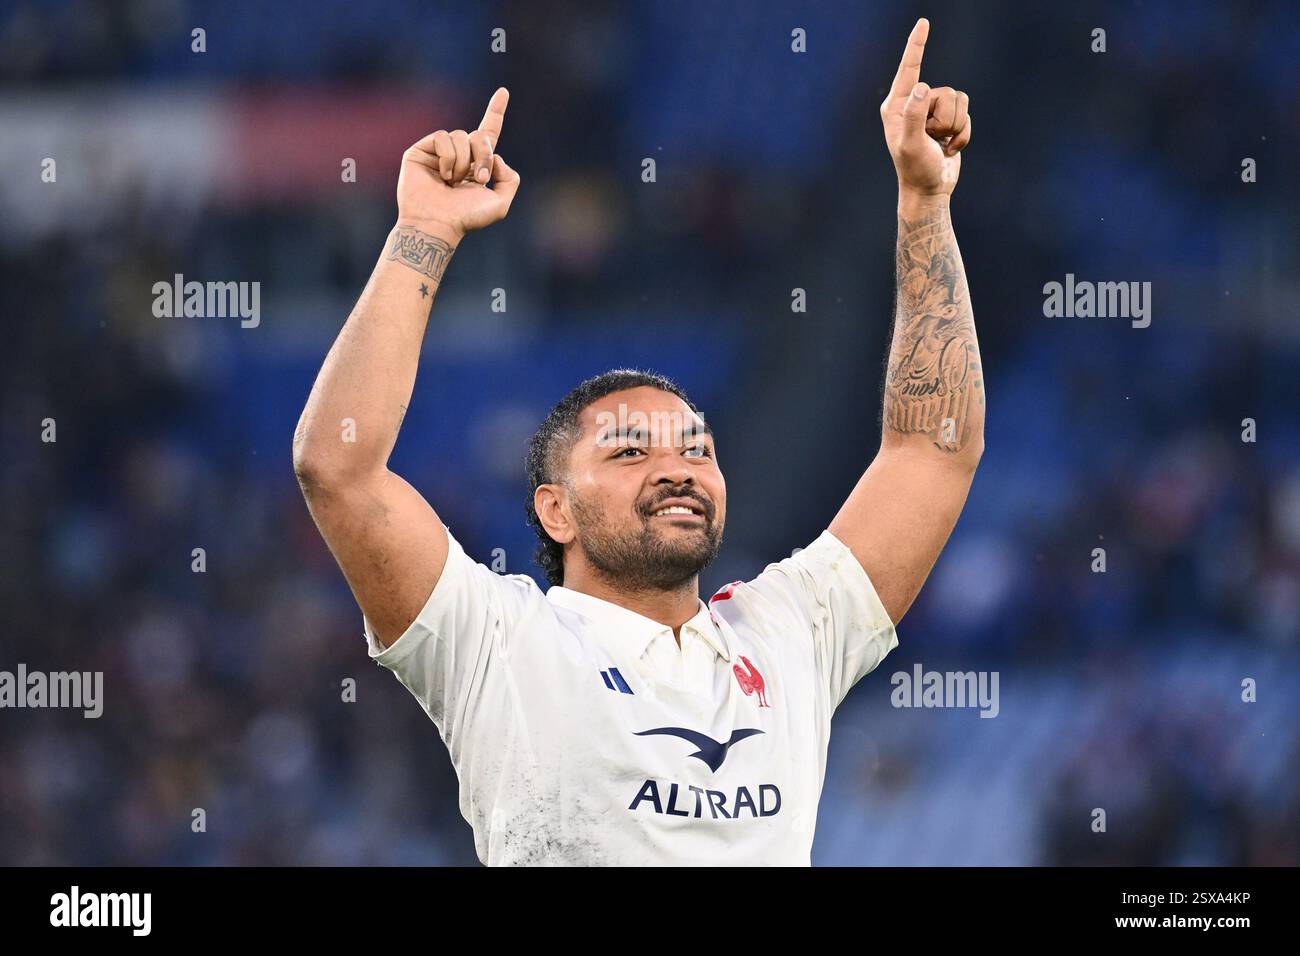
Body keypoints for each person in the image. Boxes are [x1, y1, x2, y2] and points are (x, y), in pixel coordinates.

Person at [292, 17, 980, 865]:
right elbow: (338, 468)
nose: (677, 470)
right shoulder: (498, 641)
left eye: (696, 449)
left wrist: (924, 206)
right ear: (555, 510)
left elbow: (933, 452)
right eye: (629, 451)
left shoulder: (787, 632)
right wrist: (423, 236)